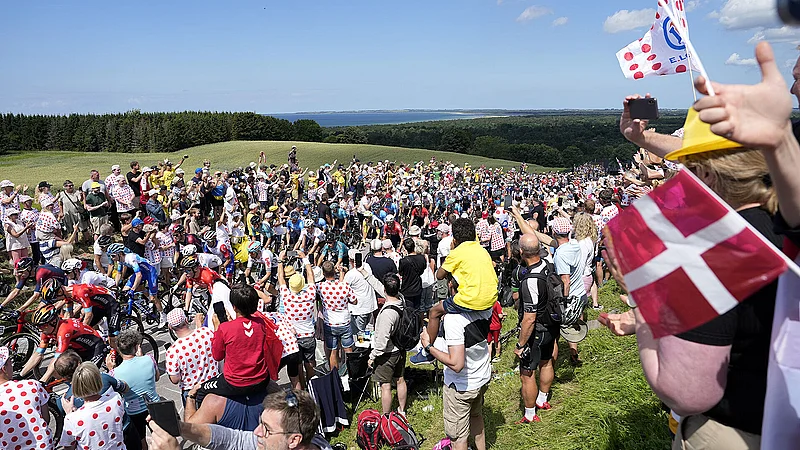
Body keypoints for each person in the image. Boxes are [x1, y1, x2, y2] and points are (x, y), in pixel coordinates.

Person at [602, 41, 790, 448]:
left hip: (737, 428)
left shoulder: (725, 247)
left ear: (704, 171)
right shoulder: (784, 217)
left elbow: (687, 391)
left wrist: (642, 297)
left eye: (688, 164)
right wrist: (645, 138)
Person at [418, 276, 491, 450]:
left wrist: (429, 347)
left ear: (451, 285)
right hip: (480, 377)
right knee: (476, 417)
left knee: (458, 436)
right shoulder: (485, 308)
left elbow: (456, 364)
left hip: (460, 385)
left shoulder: (453, 319)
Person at [413, 218, 497, 365]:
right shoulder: (482, 250)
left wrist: (452, 252)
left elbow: (439, 275)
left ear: (455, 239)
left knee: (434, 312)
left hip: (471, 300)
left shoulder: (457, 252)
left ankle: (428, 351)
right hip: (490, 299)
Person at [148, 389, 332, 450]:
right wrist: (182, 427)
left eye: (266, 428)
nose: (256, 432)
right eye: (261, 423)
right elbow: (232, 439)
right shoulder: (280, 442)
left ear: (294, 440)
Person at [198, 284, 278, 401]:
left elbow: (217, 356)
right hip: (261, 378)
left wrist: (217, 329)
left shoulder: (224, 328)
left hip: (235, 382)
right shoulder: (260, 322)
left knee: (200, 391)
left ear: (234, 307)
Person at [512, 233, 559, 424]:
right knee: (547, 362)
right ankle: (543, 398)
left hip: (537, 329)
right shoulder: (548, 263)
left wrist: (521, 344)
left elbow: (529, 318)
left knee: (527, 373)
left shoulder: (530, 280)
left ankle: (530, 415)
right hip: (552, 323)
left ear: (521, 252)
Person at [107, 328, 160, 450]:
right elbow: (156, 377)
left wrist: (111, 369)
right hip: (154, 406)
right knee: (160, 436)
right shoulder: (149, 359)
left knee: (141, 441)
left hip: (133, 411)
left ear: (119, 349)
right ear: (136, 347)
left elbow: (116, 393)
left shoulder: (115, 373)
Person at [60, 362, 127, 450]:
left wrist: (70, 413)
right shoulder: (116, 399)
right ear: (99, 381)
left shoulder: (72, 419)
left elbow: (69, 446)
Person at [368, 273, 407, 416]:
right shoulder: (400, 299)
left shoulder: (387, 314)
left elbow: (382, 342)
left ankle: (386, 416)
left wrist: (372, 357)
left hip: (388, 354)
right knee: (400, 380)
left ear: (385, 290)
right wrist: (365, 273)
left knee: (385, 386)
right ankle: (402, 411)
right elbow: (380, 286)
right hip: (400, 349)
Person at [277, 250, 318, 387]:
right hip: (309, 335)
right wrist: (305, 259)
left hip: (294, 337)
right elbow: (311, 277)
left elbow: (281, 279)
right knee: (311, 363)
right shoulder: (310, 295)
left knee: (297, 364)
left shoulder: (287, 297)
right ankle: (314, 387)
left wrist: (280, 261)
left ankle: (303, 387)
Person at [0, 346, 52, 450]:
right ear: (4, 369)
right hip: (43, 446)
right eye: (10, 362)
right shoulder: (32, 385)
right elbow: (46, 418)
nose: (12, 365)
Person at [551, 216, 587, 366]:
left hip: (570, 297)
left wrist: (564, 303)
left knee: (556, 334)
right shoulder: (575, 245)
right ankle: (574, 354)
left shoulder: (560, 254)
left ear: (554, 232)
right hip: (581, 294)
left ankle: (551, 364)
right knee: (574, 329)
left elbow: (566, 280)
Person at [164, 309, 220, 405]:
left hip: (192, 392)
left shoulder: (173, 350)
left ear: (170, 327)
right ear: (186, 320)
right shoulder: (207, 333)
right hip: (214, 384)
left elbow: (175, 379)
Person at [316, 261, 358, 371]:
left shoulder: (320, 287)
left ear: (323, 273)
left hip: (330, 324)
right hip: (344, 322)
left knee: (333, 351)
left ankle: (334, 377)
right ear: (334, 272)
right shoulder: (344, 286)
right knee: (348, 350)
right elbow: (354, 301)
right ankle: (351, 374)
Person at [344, 250, 377, 336]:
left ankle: (362, 348)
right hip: (369, 305)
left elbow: (343, 288)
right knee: (367, 331)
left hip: (359, 308)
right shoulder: (367, 266)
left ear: (351, 260)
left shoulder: (350, 274)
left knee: (360, 333)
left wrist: (342, 272)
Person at [398, 238, 426, 311]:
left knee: (408, 309)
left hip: (407, 288)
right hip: (417, 287)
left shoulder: (403, 261)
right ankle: (417, 321)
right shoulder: (421, 258)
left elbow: (401, 273)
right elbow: (423, 269)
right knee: (417, 309)